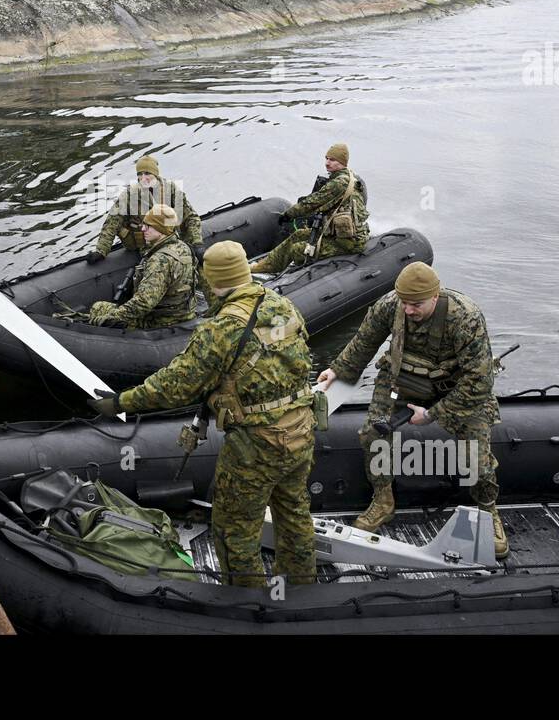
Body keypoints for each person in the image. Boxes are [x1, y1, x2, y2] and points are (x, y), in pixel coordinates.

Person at [89, 241, 317, 587]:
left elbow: (173, 387)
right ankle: (302, 588)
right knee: (294, 514)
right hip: (301, 429)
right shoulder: (283, 304)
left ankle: (248, 601)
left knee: (233, 529)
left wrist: (119, 403)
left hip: (256, 446)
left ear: (212, 281)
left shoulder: (220, 329)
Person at [317, 261, 507, 558]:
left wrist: (432, 414)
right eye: (405, 303)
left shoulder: (465, 317)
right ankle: (383, 501)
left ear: (435, 296)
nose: (408, 310)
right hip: (402, 380)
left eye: (416, 304)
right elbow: (364, 342)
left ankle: (488, 511)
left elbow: (479, 381)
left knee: (478, 456)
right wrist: (337, 370)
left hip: (456, 389)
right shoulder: (391, 305)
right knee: (372, 433)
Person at [249, 142, 369, 276]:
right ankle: (267, 265)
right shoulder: (350, 176)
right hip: (337, 235)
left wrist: (288, 215)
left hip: (347, 243)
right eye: (326, 158)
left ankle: (296, 274)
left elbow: (311, 203)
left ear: (342, 162)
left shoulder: (339, 183)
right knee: (298, 235)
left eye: (332, 160)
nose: (327, 163)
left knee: (297, 249)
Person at [87, 204, 198, 329]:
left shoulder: (160, 260)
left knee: (98, 308)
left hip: (160, 322)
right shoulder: (184, 247)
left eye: (148, 226)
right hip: (184, 313)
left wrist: (113, 317)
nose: (143, 229)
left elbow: (144, 302)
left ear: (161, 229)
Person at [89, 155, 202, 261]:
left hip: (171, 238)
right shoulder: (129, 195)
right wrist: (101, 250)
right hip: (147, 246)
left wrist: (197, 243)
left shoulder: (170, 189)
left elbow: (190, 216)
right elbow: (112, 223)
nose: (143, 178)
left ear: (156, 174)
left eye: (147, 173)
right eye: (140, 174)